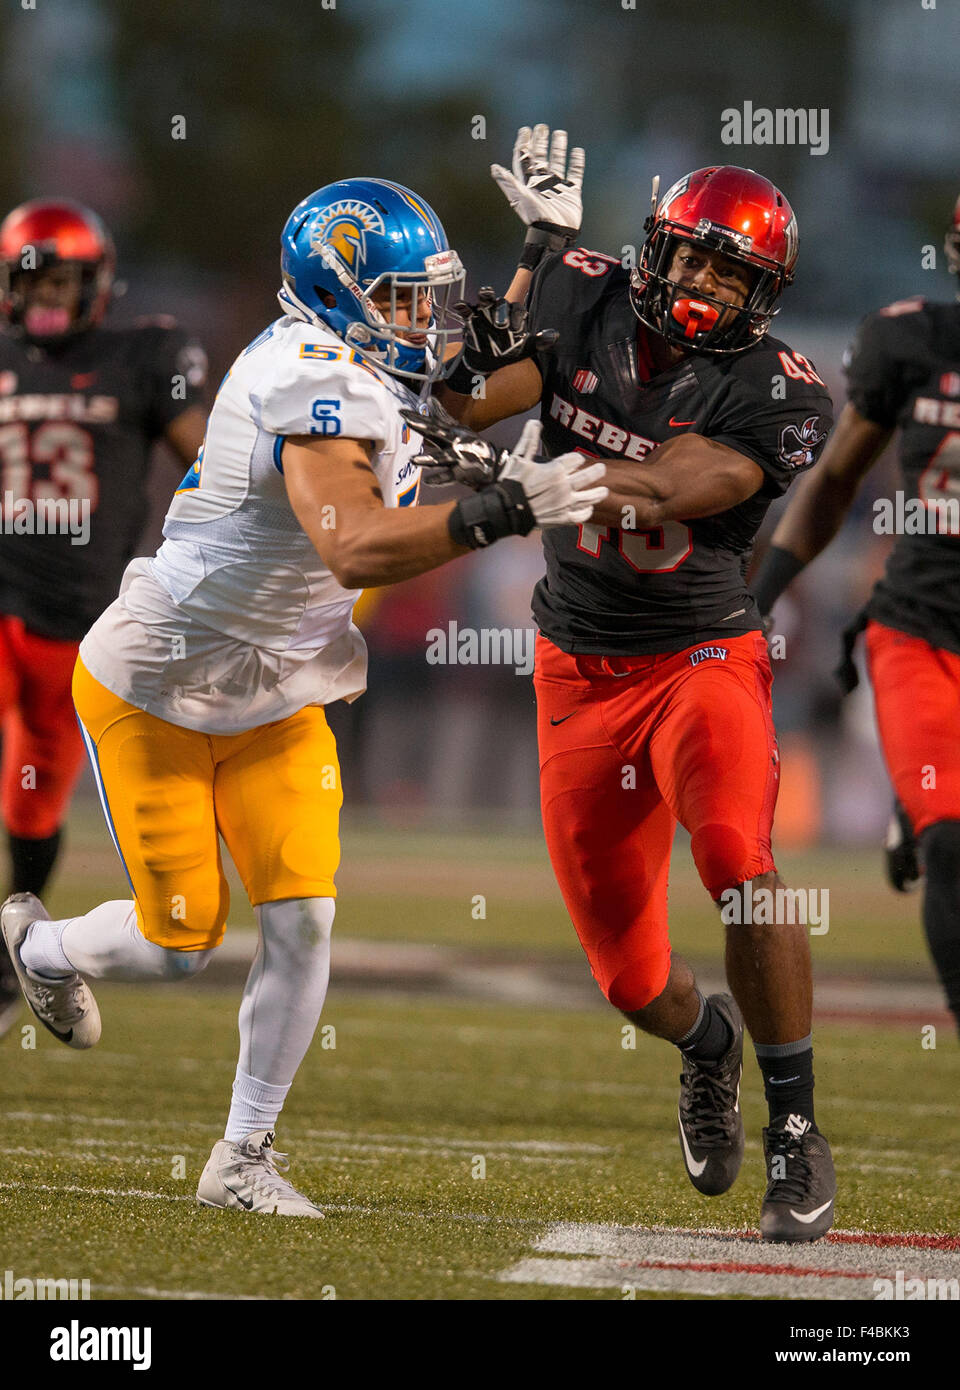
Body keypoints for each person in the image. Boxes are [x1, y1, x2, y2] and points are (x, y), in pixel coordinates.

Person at [0, 177, 605, 1216]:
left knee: (304, 922)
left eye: (429, 296)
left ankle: (241, 1159)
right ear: (341, 293)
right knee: (179, 941)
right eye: (406, 299)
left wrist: (539, 251)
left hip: (280, 691)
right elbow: (356, 540)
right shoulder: (310, 380)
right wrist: (500, 505)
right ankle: (38, 942)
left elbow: (452, 386)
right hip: (160, 688)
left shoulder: (363, 360)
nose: (428, 320)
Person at [428, 126, 836, 1241]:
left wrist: (543, 476)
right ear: (651, 249)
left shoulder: (785, 392)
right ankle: (710, 1045)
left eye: (729, 272)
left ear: (767, 296)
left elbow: (671, 485)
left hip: (699, 657)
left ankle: (796, 1128)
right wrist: (524, 264)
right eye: (691, 259)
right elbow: (463, 403)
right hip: (576, 670)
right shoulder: (582, 292)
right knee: (629, 979)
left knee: (740, 865)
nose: (702, 286)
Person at [751, 190, 960, 1036]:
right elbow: (833, 480)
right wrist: (758, 598)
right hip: (921, 629)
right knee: (951, 845)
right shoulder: (912, 341)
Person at [0, 199, 208, 1038]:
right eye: (34, 279)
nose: (49, 294)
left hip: (78, 615)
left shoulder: (142, 353)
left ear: (99, 285)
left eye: (65, 279)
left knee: (35, 794)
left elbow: (211, 454)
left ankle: (16, 937)